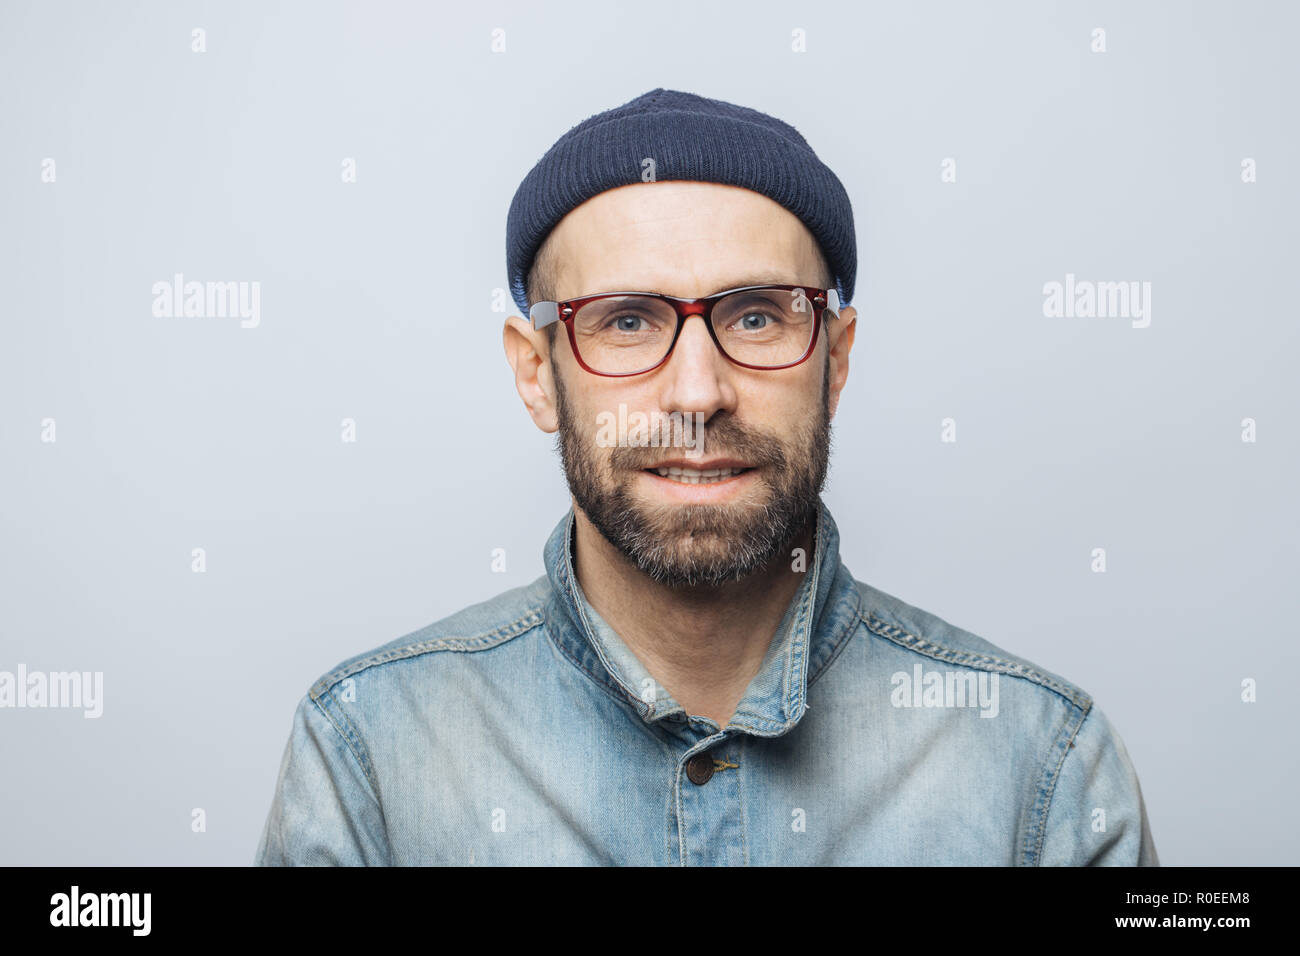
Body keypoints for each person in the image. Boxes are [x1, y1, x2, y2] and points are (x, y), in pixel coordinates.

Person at [255, 87, 1158, 865]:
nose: (698, 393)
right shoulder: (368, 752)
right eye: (627, 322)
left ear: (834, 363)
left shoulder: (1041, 767)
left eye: (759, 316)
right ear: (537, 373)